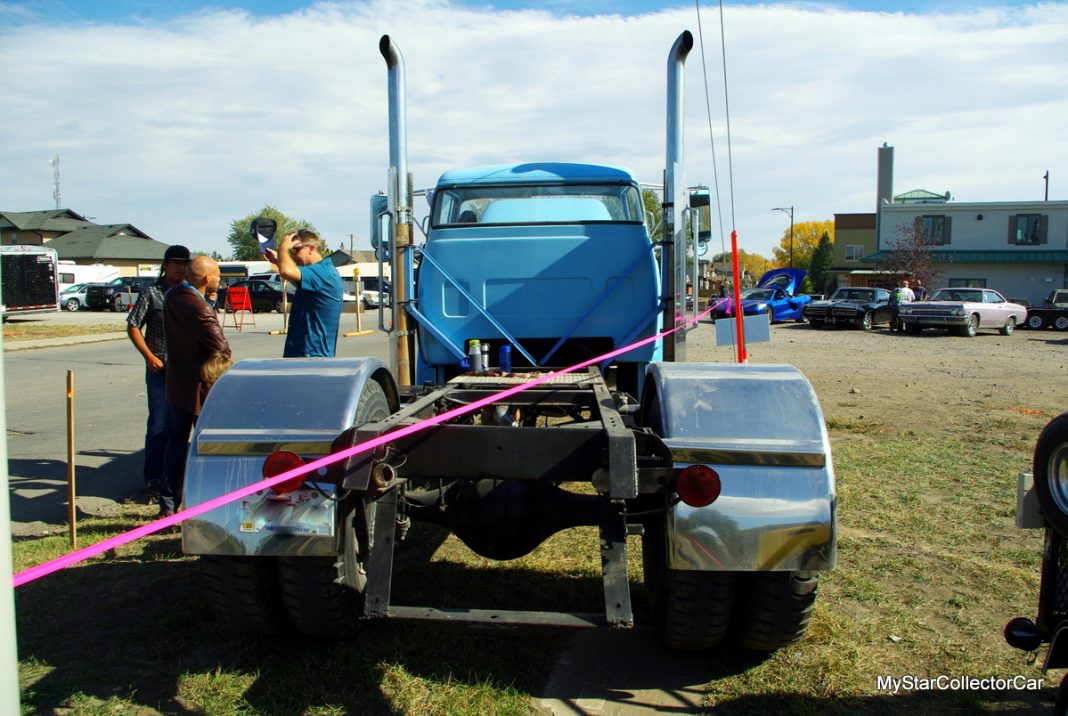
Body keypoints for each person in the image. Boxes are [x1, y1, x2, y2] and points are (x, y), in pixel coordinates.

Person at [160, 255, 230, 517]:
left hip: (176, 385)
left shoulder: (173, 295)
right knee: (206, 446)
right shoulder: (197, 307)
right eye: (219, 277)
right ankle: (205, 503)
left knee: (176, 445)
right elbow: (221, 346)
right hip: (199, 390)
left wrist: (210, 302)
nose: (220, 282)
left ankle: (168, 505)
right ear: (207, 278)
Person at [126, 244, 190, 498]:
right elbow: (132, 326)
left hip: (185, 373)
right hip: (159, 370)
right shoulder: (152, 293)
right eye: (176, 264)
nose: (181, 269)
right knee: (159, 425)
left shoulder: (189, 293)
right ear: (166, 265)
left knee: (181, 427)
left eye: (185, 264)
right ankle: (153, 477)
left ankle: (175, 477)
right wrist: (149, 356)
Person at [263, 229, 343, 357]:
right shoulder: (318, 274)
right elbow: (292, 274)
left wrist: (282, 249)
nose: (293, 256)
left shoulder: (322, 272)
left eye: (295, 250)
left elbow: (287, 272)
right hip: (305, 355)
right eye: (291, 252)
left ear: (311, 248)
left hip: (312, 357)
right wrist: (278, 260)